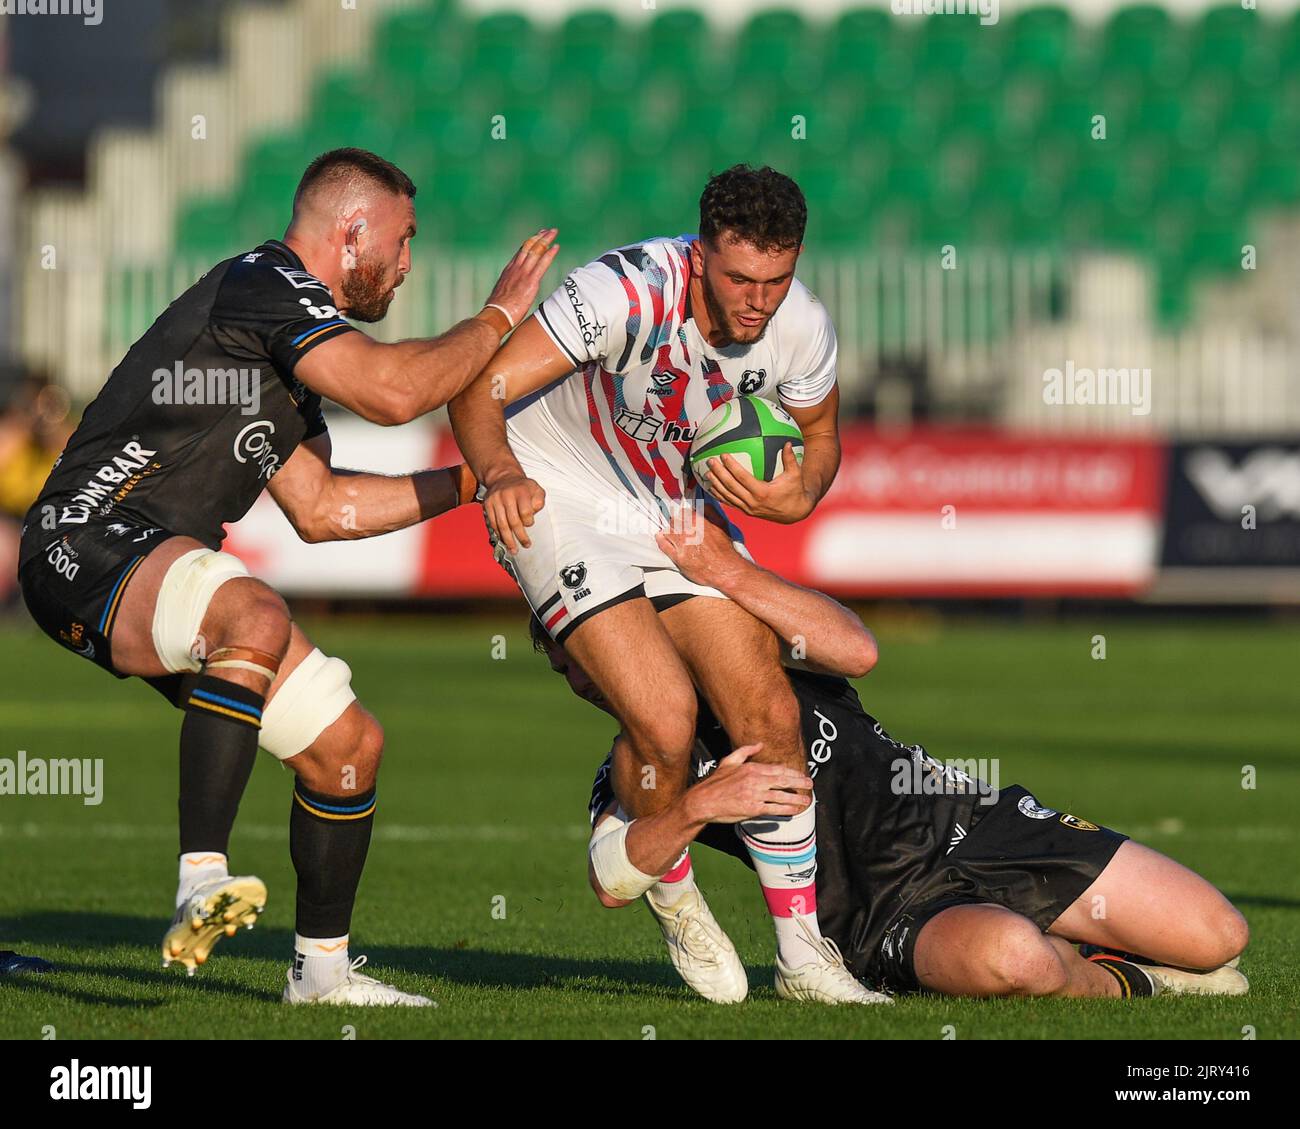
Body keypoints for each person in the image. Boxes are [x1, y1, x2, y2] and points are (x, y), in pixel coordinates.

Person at [17, 147, 557, 1006]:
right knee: (253, 612)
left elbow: (325, 508)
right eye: (403, 238)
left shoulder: (286, 364)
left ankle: (322, 973)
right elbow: (390, 391)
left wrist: (475, 482)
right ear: (352, 231)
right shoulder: (264, 282)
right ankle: (200, 878)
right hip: (81, 539)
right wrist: (497, 316)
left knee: (348, 750)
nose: (409, 260)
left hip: (155, 564)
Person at [449, 165, 880, 1004]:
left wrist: (804, 489)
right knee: (666, 716)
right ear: (701, 254)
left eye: (777, 280)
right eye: (740, 279)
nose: (758, 301)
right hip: (559, 494)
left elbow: (822, 436)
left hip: (671, 506)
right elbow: (481, 386)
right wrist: (498, 473)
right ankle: (673, 889)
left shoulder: (802, 325)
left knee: (768, 706)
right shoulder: (622, 292)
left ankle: (802, 956)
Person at [546, 510, 1249, 1001]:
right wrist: (702, 804)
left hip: (976, 825)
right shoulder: (639, 762)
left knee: (1221, 932)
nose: (586, 675)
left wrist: (724, 569)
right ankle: (1134, 979)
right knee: (1017, 958)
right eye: (570, 665)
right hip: (886, 916)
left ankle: (1110, 944)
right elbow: (611, 877)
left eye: (589, 650)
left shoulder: (756, 658)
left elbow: (857, 648)